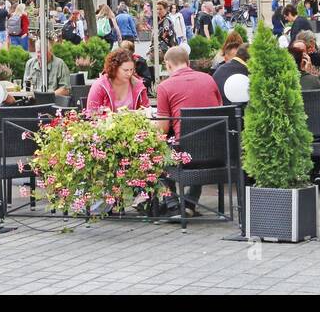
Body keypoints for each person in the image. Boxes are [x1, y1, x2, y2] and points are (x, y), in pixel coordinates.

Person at [154, 44, 221, 213]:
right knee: (199, 142)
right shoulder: (209, 79)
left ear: (167, 64)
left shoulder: (165, 86)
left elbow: (162, 129)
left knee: (155, 150)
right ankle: (190, 202)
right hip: (217, 152)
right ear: (188, 62)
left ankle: (172, 204)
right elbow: (219, 112)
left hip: (185, 155)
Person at [86, 47, 150, 112]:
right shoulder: (100, 86)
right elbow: (91, 114)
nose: (129, 74)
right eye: (125, 70)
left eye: (131, 69)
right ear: (114, 68)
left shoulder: (138, 85)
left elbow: (146, 111)